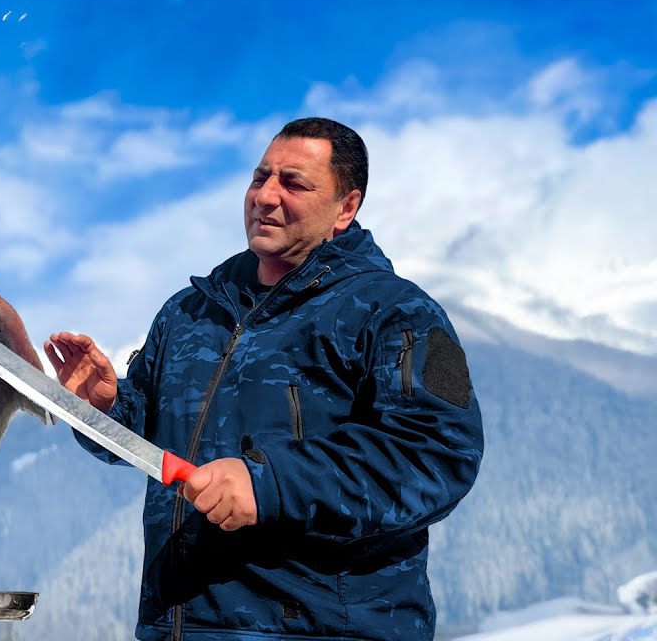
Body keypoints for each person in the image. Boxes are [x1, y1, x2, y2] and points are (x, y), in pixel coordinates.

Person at [43, 118, 484, 641]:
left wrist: (270, 483)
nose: (266, 196)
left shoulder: (396, 311)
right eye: (259, 178)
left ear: (346, 207)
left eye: (293, 183)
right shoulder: (189, 312)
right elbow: (136, 441)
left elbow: (438, 454)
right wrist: (105, 410)